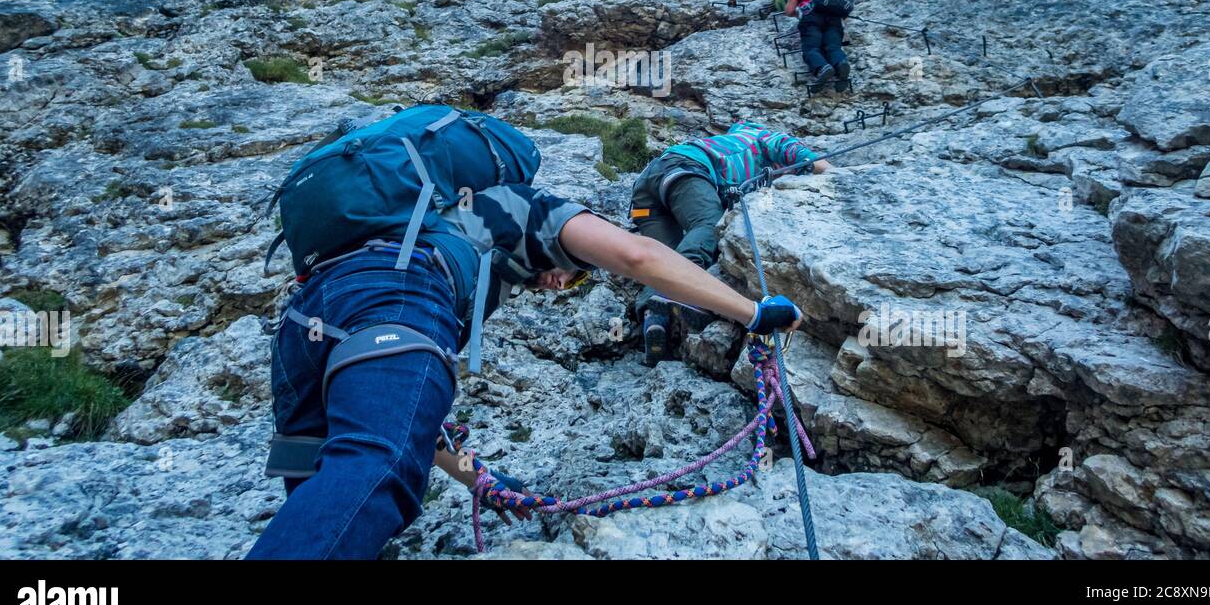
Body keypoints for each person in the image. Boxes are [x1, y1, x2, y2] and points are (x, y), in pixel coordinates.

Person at [248, 127, 803, 560]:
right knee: (374, 468)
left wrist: (478, 479)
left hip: (304, 325)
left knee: (328, 476)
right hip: (396, 294)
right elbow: (639, 256)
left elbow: (402, 416)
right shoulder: (524, 204)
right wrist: (754, 311)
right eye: (574, 268)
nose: (562, 282)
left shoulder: (438, 225)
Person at [629, 121, 829, 365]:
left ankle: (654, 321)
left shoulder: (726, 145)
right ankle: (681, 292)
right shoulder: (760, 137)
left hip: (646, 191)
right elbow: (806, 159)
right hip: (685, 168)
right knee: (708, 225)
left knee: (660, 257)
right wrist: (842, 178)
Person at [785, 0, 854, 91]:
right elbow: (845, 13)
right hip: (835, 18)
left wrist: (799, 13)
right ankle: (841, 64)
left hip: (811, 18)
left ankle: (823, 67)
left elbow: (789, 10)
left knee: (811, 49)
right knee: (833, 48)